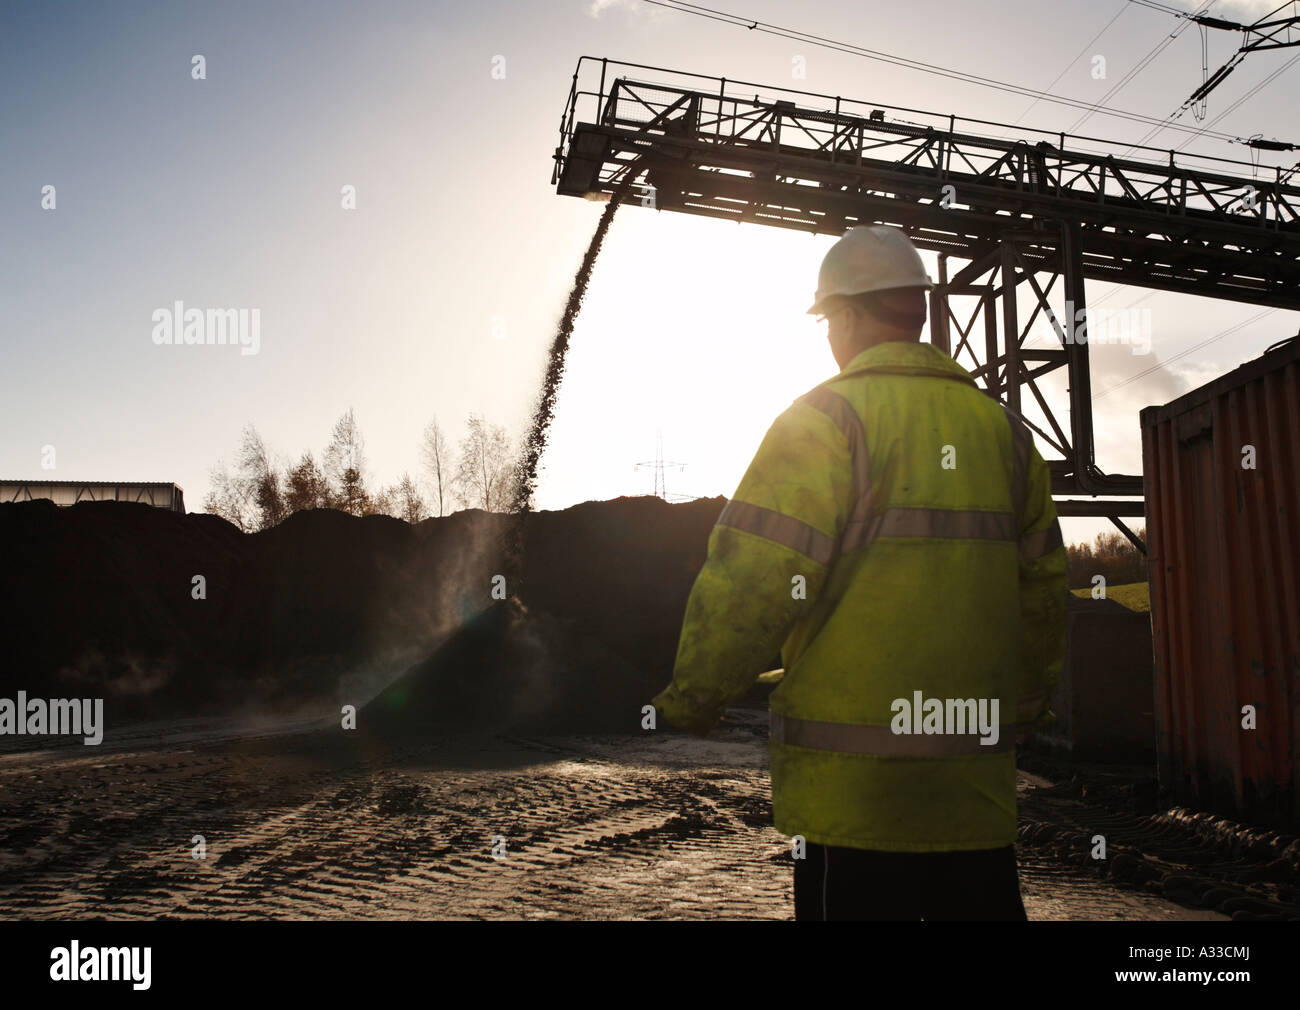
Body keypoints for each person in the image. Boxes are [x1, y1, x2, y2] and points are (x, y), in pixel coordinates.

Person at [651, 225, 1067, 920]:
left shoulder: (822, 419)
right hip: (973, 799)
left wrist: (696, 695)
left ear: (844, 315)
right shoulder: (1007, 434)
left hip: (853, 805)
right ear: (919, 312)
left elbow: (752, 580)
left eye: (826, 322)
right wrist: (1022, 711)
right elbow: (1044, 598)